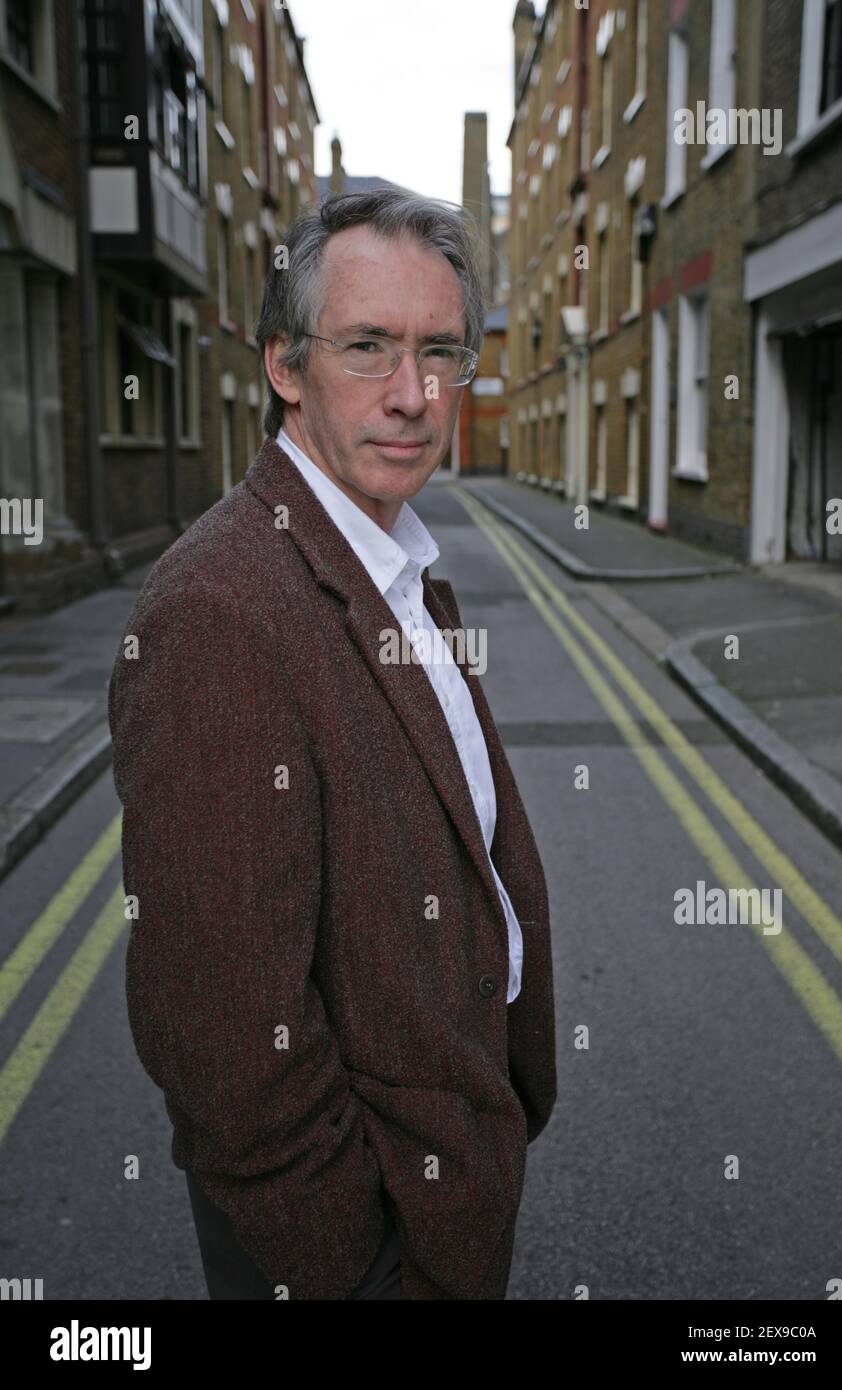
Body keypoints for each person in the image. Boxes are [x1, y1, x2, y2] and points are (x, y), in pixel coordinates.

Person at [108, 188, 557, 1301]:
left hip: (454, 1177)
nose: (413, 396)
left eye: (439, 351)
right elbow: (225, 1046)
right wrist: (364, 1267)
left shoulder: (394, 562)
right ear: (283, 364)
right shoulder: (219, 608)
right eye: (366, 347)